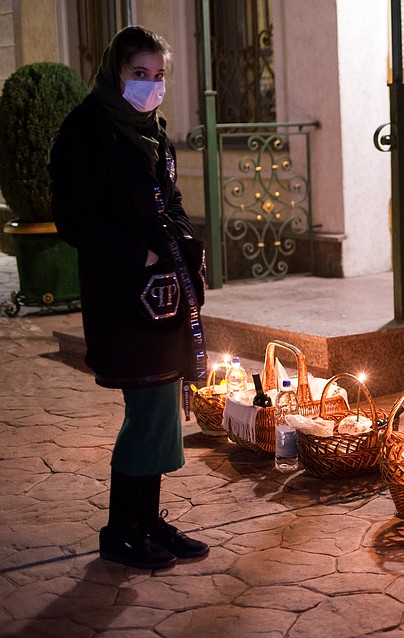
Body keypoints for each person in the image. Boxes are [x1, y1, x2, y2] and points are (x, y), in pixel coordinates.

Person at [49, 26, 209, 570]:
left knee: (162, 405)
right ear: (114, 73)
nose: (150, 85)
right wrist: (136, 252)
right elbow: (74, 220)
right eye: (139, 74)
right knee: (147, 410)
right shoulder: (86, 132)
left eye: (159, 75)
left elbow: (172, 196)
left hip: (162, 293)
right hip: (123, 296)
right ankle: (121, 529)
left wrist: (186, 240)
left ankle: (148, 520)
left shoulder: (152, 130)